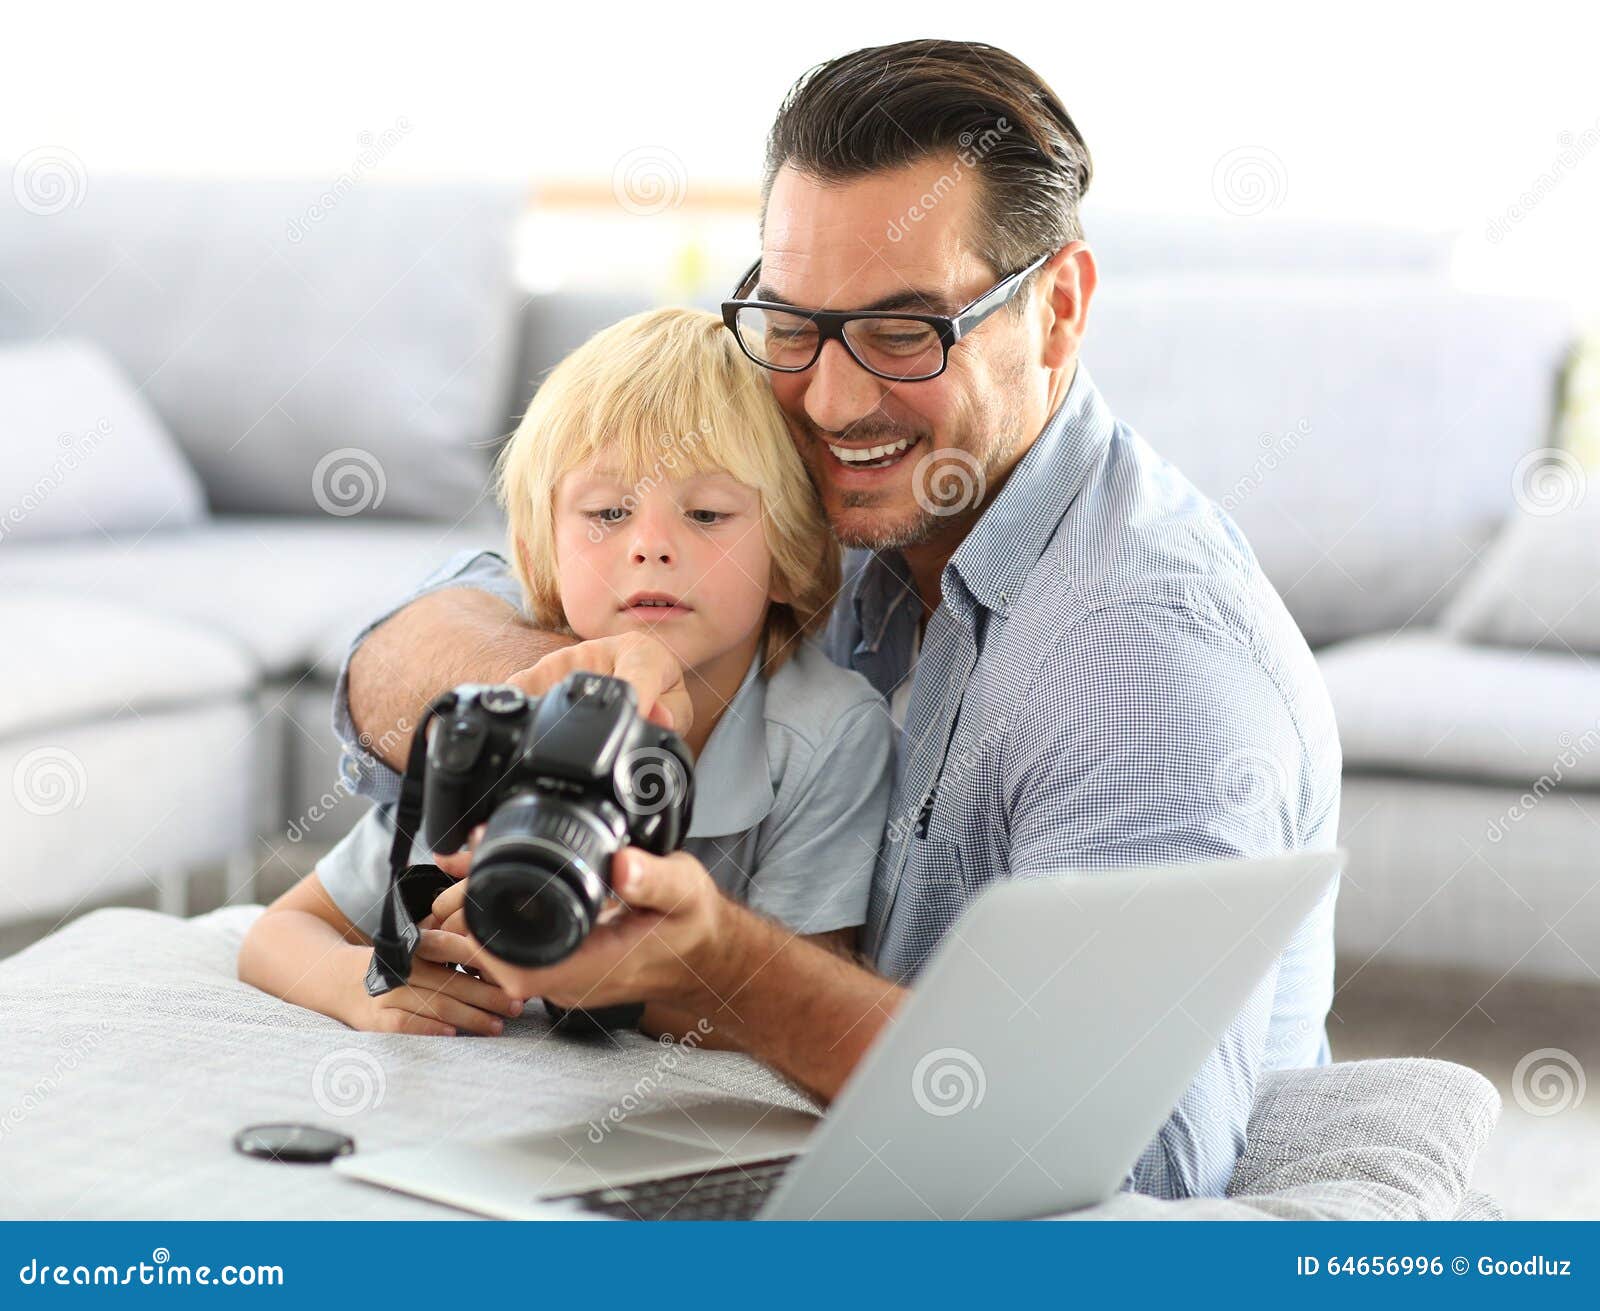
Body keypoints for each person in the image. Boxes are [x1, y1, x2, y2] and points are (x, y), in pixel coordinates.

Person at [335, 39, 1342, 1200]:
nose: (832, 398)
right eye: (794, 318)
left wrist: (727, 970)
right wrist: (566, 680)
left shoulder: (1149, 658)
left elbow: (1123, 1167)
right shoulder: (824, 485)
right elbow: (406, 643)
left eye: (906, 330)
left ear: (1058, 310)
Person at [237, 308, 892, 1039]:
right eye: (608, 511)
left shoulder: (828, 733)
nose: (650, 546)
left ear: (790, 551)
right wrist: (361, 985)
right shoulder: (510, 719)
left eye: (706, 513)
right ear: (543, 552)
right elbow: (281, 931)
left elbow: (807, 1005)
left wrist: (608, 971)